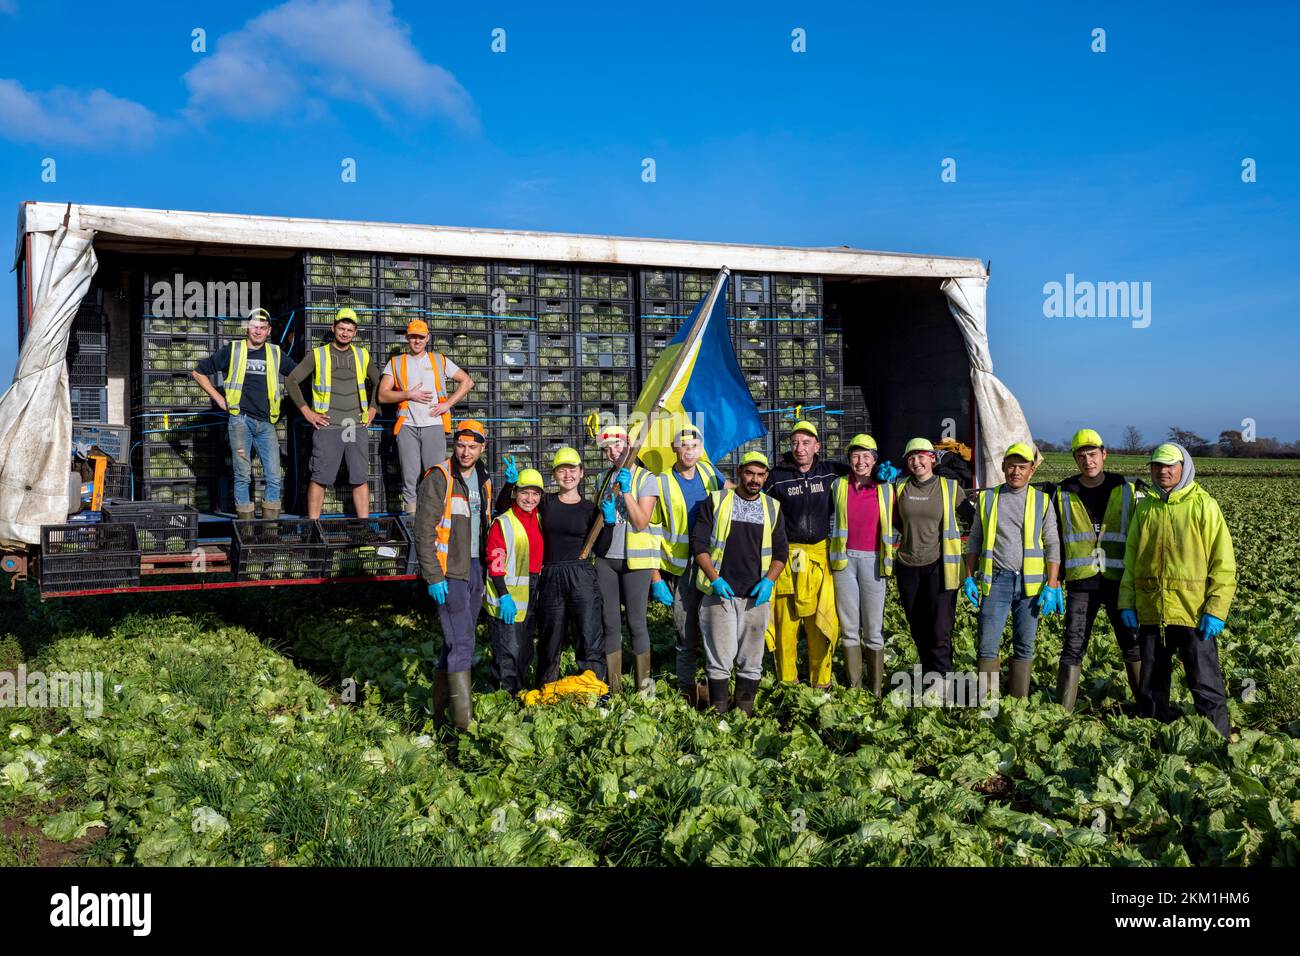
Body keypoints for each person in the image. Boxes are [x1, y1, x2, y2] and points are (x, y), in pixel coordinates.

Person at [1119, 443, 1236, 738]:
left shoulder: (1204, 505)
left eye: (1170, 465)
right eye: (1157, 466)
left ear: (1184, 467)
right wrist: (1127, 602)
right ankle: (1153, 736)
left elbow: (1223, 563)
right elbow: (1131, 559)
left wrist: (1215, 609)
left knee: (1204, 681)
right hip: (1152, 611)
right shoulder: (1145, 507)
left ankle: (1217, 740)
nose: (1163, 471)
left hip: (1192, 612)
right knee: (1151, 682)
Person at [497, 447, 607, 688]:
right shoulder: (544, 503)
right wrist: (509, 487)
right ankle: (546, 687)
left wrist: (607, 523)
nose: (568, 475)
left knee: (588, 633)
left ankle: (594, 687)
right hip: (551, 574)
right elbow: (506, 510)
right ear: (554, 475)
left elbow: (603, 548)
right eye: (561, 470)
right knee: (550, 635)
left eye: (572, 469)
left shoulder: (591, 509)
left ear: (581, 473)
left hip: (581, 574)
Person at [1052, 428, 1144, 711]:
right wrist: (1052, 581)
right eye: (1081, 456)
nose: (1088, 461)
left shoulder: (1128, 489)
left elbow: (1145, 533)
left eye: (1092, 454)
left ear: (1104, 454)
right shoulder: (1062, 492)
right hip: (1082, 583)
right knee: (1073, 644)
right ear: (1075, 460)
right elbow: (1051, 537)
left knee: (1132, 642)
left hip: (1119, 582)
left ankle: (1146, 705)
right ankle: (1063, 710)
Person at [962, 443, 1064, 698]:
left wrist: (1052, 584)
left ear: (1031, 470)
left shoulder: (1042, 501)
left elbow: (1052, 543)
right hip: (996, 580)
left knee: (1025, 645)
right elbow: (974, 539)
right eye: (1011, 466)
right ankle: (988, 701)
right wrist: (968, 577)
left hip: (1031, 585)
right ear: (1003, 467)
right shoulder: (987, 498)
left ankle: (1018, 701)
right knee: (987, 644)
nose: (1016, 471)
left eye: (1022, 466)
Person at [692, 452, 788, 715]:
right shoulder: (717, 501)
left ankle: (743, 715)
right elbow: (698, 544)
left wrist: (769, 581)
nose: (754, 480)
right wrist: (715, 578)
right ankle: (719, 716)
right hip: (720, 593)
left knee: (752, 659)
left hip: (755, 597)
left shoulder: (773, 507)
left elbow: (781, 553)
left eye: (760, 475)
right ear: (739, 472)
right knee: (719, 659)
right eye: (749, 473)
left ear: (766, 477)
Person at [415, 419, 494, 731]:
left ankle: (440, 719)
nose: (465, 451)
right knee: (462, 642)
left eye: (472, 446)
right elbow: (423, 531)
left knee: (455, 642)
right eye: (461, 445)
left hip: (476, 567)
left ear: (482, 448)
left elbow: (485, 522)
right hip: (451, 571)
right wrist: (434, 576)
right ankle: (463, 726)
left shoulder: (484, 478)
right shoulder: (440, 477)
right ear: (455, 445)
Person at [647, 426, 727, 706]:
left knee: (715, 628)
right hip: (682, 568)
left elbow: (733, 495)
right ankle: (686, 693)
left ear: (700, 448)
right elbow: (651, 531)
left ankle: (712, 688)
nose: (689, 450)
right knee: (686, 633)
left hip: (713, 562)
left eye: (694, 445)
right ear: (674, 448)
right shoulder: (661, 482)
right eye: (684, 446)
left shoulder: (709, 473)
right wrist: (656, 577)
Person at [192, 308, 296, 520]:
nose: (258, 331)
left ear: (269, 331)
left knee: (274, 476)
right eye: (254, 327)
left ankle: (269, 531)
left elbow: (297, 376)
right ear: (247, 329)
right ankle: (246, 530)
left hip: (266, 423)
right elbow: (198, 373)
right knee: (242, 476)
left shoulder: (275, 353)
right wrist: (218, 398)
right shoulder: (234, 350)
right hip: (240, 421)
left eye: (263, 328)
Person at [763, 420, 846, 688]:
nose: (800, 448)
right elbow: (750, 496)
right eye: (796, 442)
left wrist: (883, 473)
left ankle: (821, 683)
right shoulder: (776, 477)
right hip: (787, 557)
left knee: (820, 622)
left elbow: (862, 474)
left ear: (817, 447)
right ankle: (787, 682)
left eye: (806, 442)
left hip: (820, 557)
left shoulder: (831, 472)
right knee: (786, 623)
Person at [591, 424, 669, 693]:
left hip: (635, 562)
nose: (613, 452)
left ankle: (644, 689)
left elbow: (640, 521)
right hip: (606, 560)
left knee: (637, 623)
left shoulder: (646, 479)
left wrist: (625, 491)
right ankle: (614, 688)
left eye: (617, 445)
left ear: (629, 445)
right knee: (610, 623)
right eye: (607, 448)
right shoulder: (601, 478)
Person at [285, 308, 382, 519]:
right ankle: (313, 527)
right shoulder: (318, 355)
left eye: (349, 330)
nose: (345, 333)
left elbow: (379, 382)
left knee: (359, 477)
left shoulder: (362, 355)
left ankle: (363, 527)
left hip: (354, 426)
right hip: (328, 426)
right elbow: (291, 381)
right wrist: (307, 412)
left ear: (355, 332)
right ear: (333, 328)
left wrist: (373, 408)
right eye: (341, 328)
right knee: (320, 477)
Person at [892, 437, 971, 684]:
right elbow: (894, 520)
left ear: (932, 459)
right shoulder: (900, 487)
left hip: (939, 566)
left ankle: (944, 681)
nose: (917, 462)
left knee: (940, 629)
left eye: (922, 456)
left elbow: (975, 518)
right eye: (911, 458)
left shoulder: (949, 487)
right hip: (907, 566)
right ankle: (930, 677)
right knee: (918, 627)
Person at [377, 319, 475, 515]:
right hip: (408, 427)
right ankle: (412, 520)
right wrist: (408, 394)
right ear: (407, 338)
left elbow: (467, 381)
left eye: (421, 337)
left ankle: (434, 518)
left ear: (427, 338)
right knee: (409, 477)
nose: (417, 341)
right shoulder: (396, 363)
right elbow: (382, 395)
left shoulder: (439, 360)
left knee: (435, 476)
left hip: (433, 425)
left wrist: (448, 404)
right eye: (413, 337)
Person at [828, 433, 898, 694]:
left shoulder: (886, 488)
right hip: (844, 562)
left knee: (873, 628)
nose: (860, 461)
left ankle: (876, 688)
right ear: (849, 459)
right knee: (848, 627)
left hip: (874, 561)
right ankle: (855, 687)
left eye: (866, 456)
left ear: (874, 460)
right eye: (856, 456)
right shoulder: (838, 486)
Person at [484, 467, 545, 695]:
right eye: (524, 493)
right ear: (515, 493)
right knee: (507, 652)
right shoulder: (504, 522)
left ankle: (519, 693)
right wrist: (504, 595)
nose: (530, 499)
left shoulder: (538, 517)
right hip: (507, 596)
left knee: (525, 650)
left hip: (531, 593)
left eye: (535, 494)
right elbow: (495, 563)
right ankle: (503, 700)